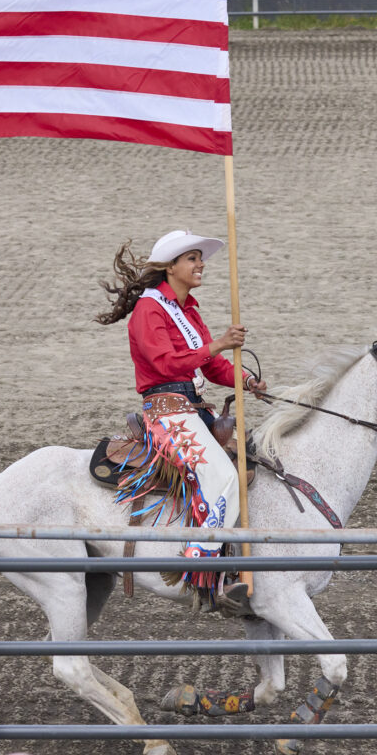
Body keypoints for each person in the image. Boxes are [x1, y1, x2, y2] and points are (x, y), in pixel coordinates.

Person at [96, 229, 267, 614]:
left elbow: (211, 365)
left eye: (199, 258)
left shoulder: (189, 310)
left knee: (253, 464)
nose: (200, 264)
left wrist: (246, 380)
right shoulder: (149, 310)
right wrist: (219, 343)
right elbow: (164, 364)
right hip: (166, 409)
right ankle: (202, 568)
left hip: (194, 406)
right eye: (192, 258)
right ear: (170, 266)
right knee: (221, 476)